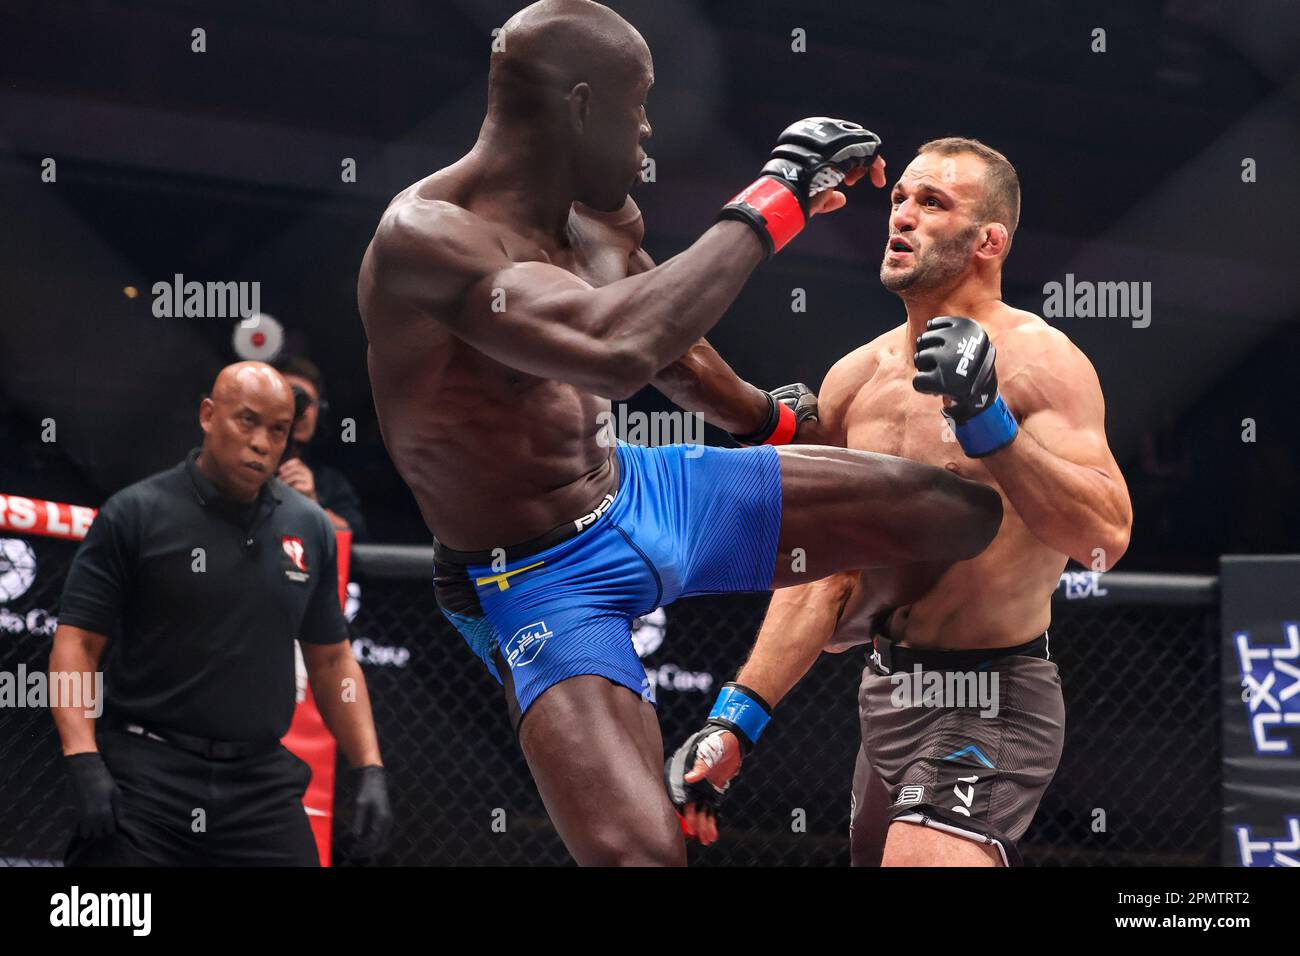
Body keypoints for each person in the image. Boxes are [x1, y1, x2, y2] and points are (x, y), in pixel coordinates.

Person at [358, 0, 1002, 866]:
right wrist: (775, 199)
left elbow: (674, 351)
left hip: (644, 489)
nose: (651, 129)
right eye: (640, 104)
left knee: (956, 512)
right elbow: (612, 351)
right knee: (642, 858)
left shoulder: (601, 220)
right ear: (582, 107)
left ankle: (893, 686)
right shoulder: (427, 239)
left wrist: (766, 421)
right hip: (534, 576)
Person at [667, 137, 1134, 866]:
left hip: (993, 693)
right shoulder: (856, 379)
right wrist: (737, 717)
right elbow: (829, 573)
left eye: (933, 203)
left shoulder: (1042, 362)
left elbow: (1104, 539)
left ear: (989, 241)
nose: (903, 217)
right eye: (899, 199)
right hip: (886, 693)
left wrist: (990, 424)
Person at [50, 361, 391, 865]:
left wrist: (368, 767)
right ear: (208, 416)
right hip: (147, 773)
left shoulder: (309, 527)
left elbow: (333, 662)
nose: (261, 443)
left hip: (260, 785)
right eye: (246, 421)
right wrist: (82, 758)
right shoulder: (135, 514)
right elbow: (77, 642)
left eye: (277, 430)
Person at [274, 355, 370, 541]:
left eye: (306, 401)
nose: (299, 410)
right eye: (289, 396)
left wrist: (311, 504)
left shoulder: (331, 482)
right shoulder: (246, 466)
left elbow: (356, 537)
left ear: (320, 413)